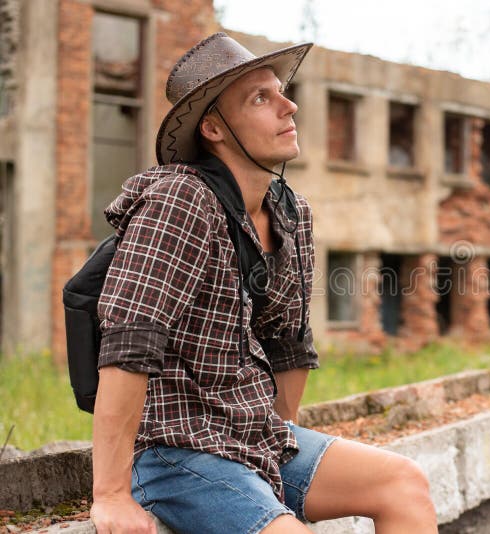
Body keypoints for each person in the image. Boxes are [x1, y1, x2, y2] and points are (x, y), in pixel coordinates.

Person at [88, 32, 438, 534]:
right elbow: (128, 341)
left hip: (254, 438)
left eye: (281, 91)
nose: (288, 106)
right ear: (213, 128)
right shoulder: (180, 201)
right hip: (175, 454)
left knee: (403, 483)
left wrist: (277, 459)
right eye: (261, 98)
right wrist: (112, 495)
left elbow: (289, 344)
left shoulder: (289, 213)